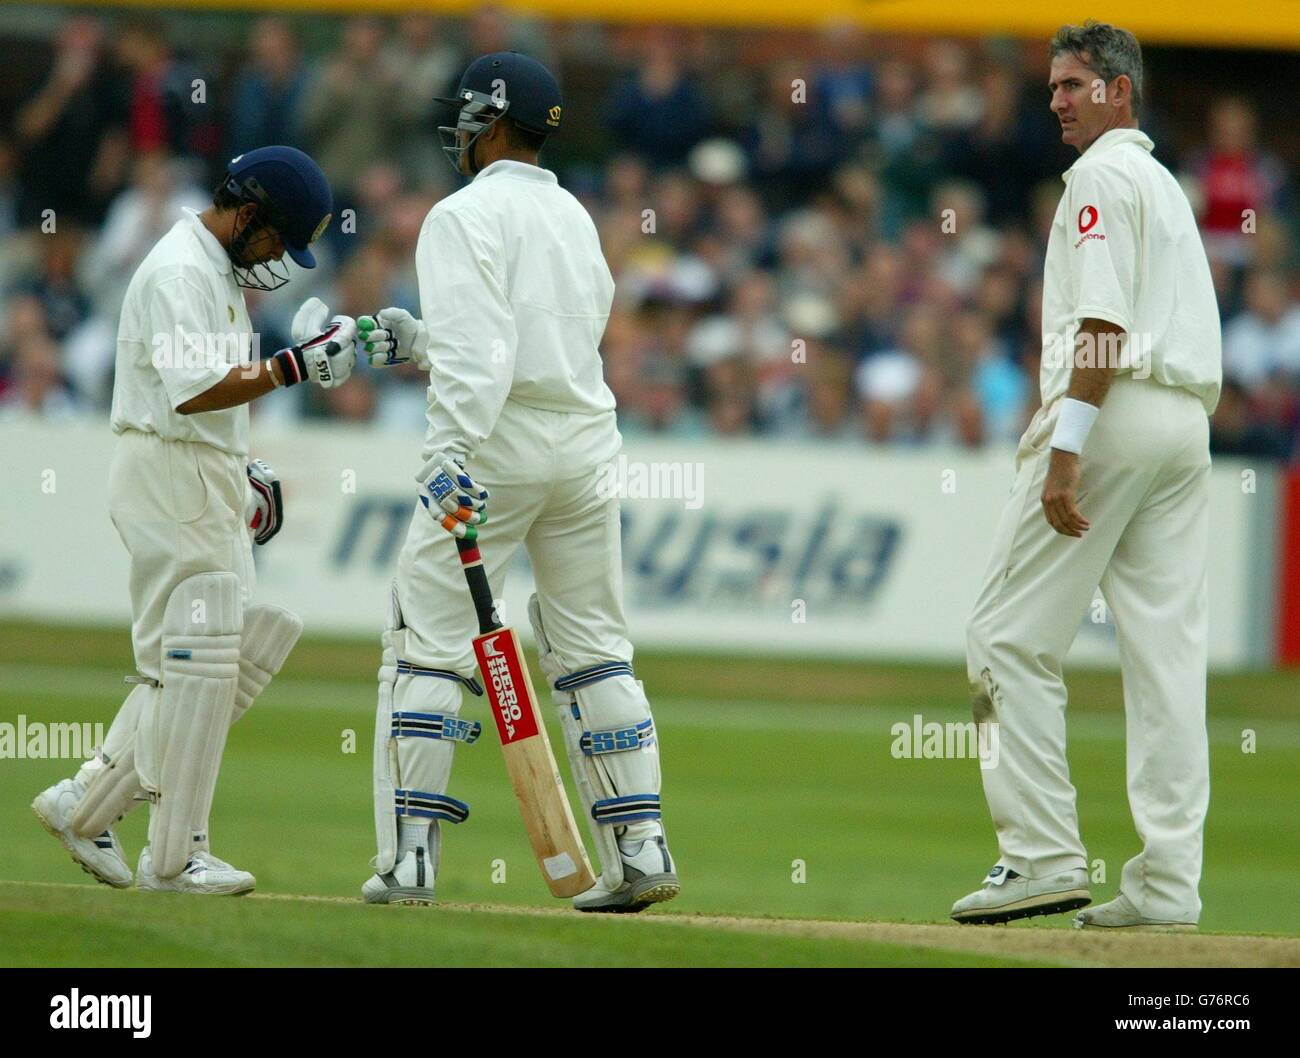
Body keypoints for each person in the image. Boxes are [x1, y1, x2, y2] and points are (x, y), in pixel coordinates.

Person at [357, 52, 679, 912]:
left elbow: (483, 351)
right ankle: (640, 848)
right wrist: (422, 344)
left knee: (425, 639)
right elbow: (532, 338)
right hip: (582, 441)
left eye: (466, 115)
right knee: (595, 645)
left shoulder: (459, 215)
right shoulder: (573, 214)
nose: (455, 130)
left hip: (494, 444)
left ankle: (410, 862)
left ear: (494, 123)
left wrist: (446, 449)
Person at [32, 146, 360, 896]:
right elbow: (192, 390)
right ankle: (175, 856)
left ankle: (88, 798)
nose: (279, 257)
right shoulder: (183, 268)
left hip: (198, 472)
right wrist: (298, 365)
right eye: (278, 237)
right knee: (195, 666)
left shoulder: (212, 268)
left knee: (232, 651)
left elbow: (207, 399)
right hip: (168, 475)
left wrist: (238, 468)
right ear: (247, 213)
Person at [953, 22, 1221, 931]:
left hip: (1111, 418)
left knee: (1003, 637)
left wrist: (1067, 448)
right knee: (1167, 661)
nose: (1058, 101)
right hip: (1182, 427)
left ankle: (1039, 856)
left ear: (1120, 90)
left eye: (1074, 84)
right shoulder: (1160, 182)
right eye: (1054, 87)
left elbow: (1101, 326)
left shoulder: (1101, 177)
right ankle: (1168, 888)